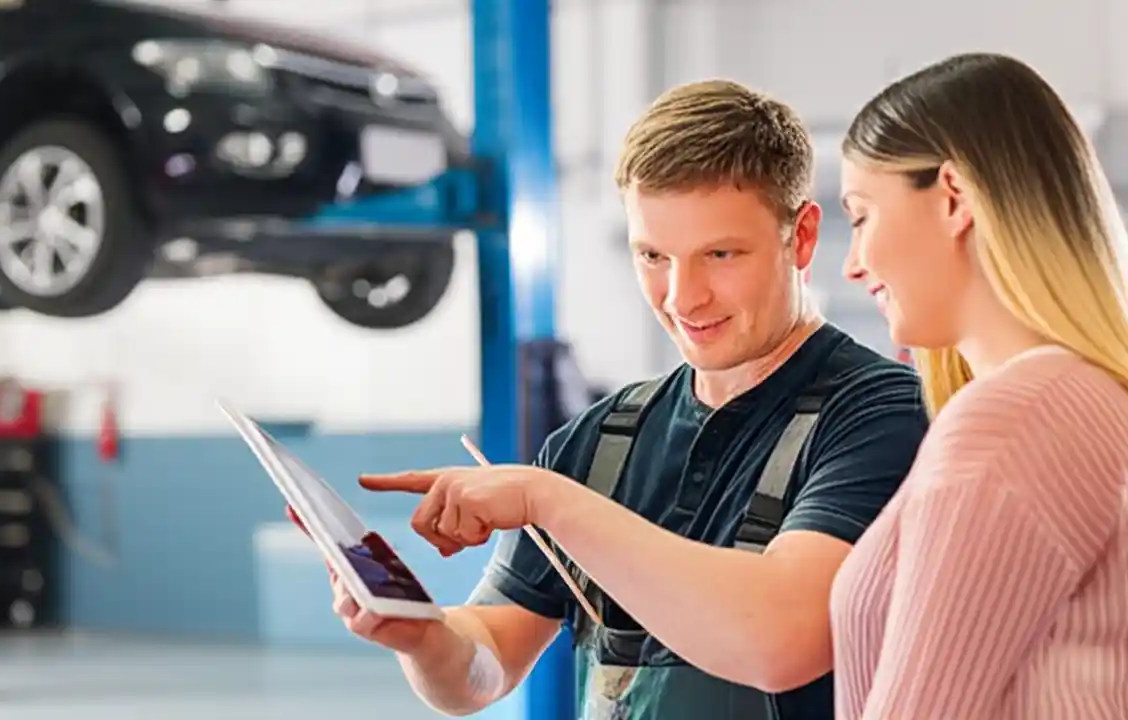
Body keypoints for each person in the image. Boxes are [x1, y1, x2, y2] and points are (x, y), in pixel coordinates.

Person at [328, 79, 931, 720]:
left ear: (801, 237)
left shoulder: (881, 415)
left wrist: (549, 500)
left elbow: (780, 639)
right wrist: (421, 637)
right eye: (653, 256)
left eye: (720, 254)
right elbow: (480, 672)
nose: (681, 296)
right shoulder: (600, 441)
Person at [827, 52, 1128, 719]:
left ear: (954, 198)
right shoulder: (1094, 402)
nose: (852, 265)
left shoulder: (1012, 421)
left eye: (862, 216)